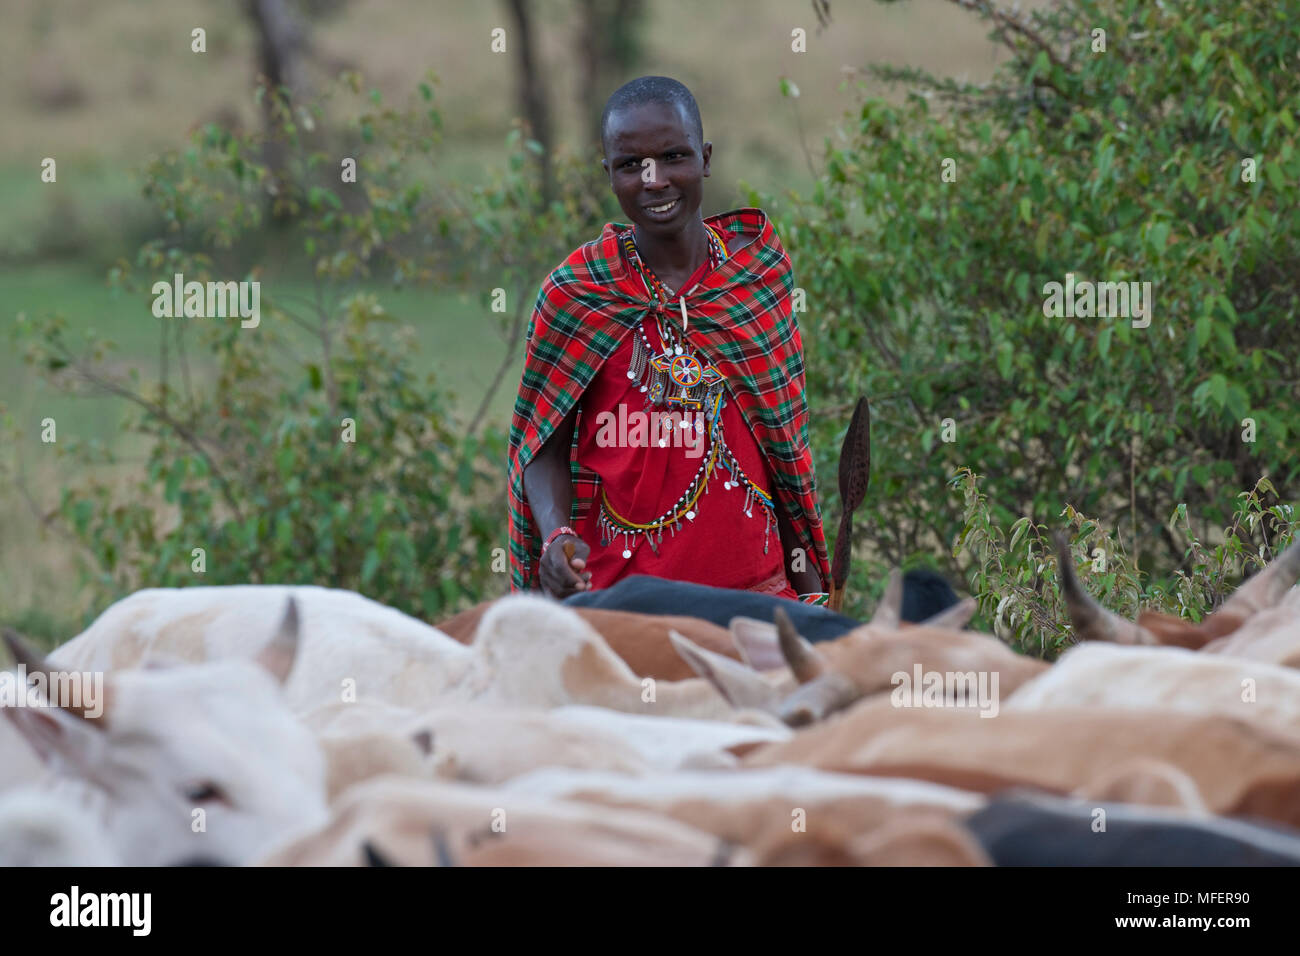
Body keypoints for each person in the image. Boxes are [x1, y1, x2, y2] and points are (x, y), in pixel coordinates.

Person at [507, 75, 830, 603]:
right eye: (631, 165)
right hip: (625, 608)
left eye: (673, 156)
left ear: (705, 158)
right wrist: (556, 535)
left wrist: (814, 601)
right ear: (608, 172)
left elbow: (785, 452)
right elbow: (542, 448)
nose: (654, 181)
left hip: (760, 602)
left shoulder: (757, 277)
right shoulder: (579, 293)